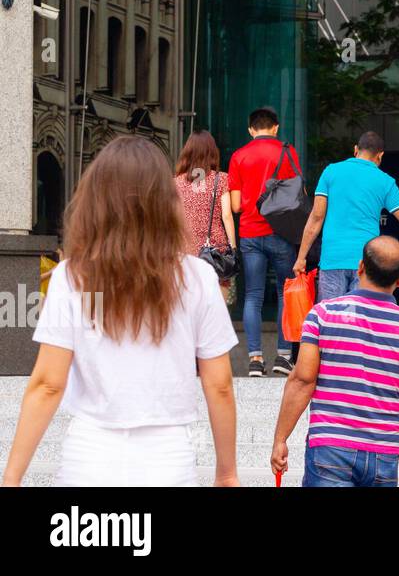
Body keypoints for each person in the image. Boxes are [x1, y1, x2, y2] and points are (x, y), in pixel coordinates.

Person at [1, 136, 238, 487]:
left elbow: (48, 384)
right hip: (168, 460)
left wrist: (11, 477)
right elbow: (219, 385)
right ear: (165, 202)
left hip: (89, 458)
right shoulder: (200, 277)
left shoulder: (73, 277)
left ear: (97, 200)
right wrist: (227, 473)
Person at [271, 236, 399, 487]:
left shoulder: (323, 315)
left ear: (360, 268)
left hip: (330, 448)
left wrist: (281, 438)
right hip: (383, 456)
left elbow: (302, 380)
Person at [293, 131, 399, 301]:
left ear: (355, 149)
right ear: (380, 155)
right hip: (367, 264)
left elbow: (316, 217)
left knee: (331, 320)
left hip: (332, 260)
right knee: (362, 321)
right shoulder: (385, 181)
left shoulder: (331, 172)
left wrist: (301, 258)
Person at [228, 106, 303, 377]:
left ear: (250, 130)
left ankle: (255, 360)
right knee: (286, 292)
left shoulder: (238, 156)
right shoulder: (287, 151)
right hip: (281, 232)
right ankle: (283, 357)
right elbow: (298, 193)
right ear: (275, 127)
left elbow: (235, 205)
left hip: (250, 232)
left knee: (253, 296)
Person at [174, 130, 238, 304]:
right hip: (216, 249)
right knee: (218, 303)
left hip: (184, 247)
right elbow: (226, 215)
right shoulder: (221, 179)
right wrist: (233, 246)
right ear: (212, 152)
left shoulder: (176, 182)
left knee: (188, 302)